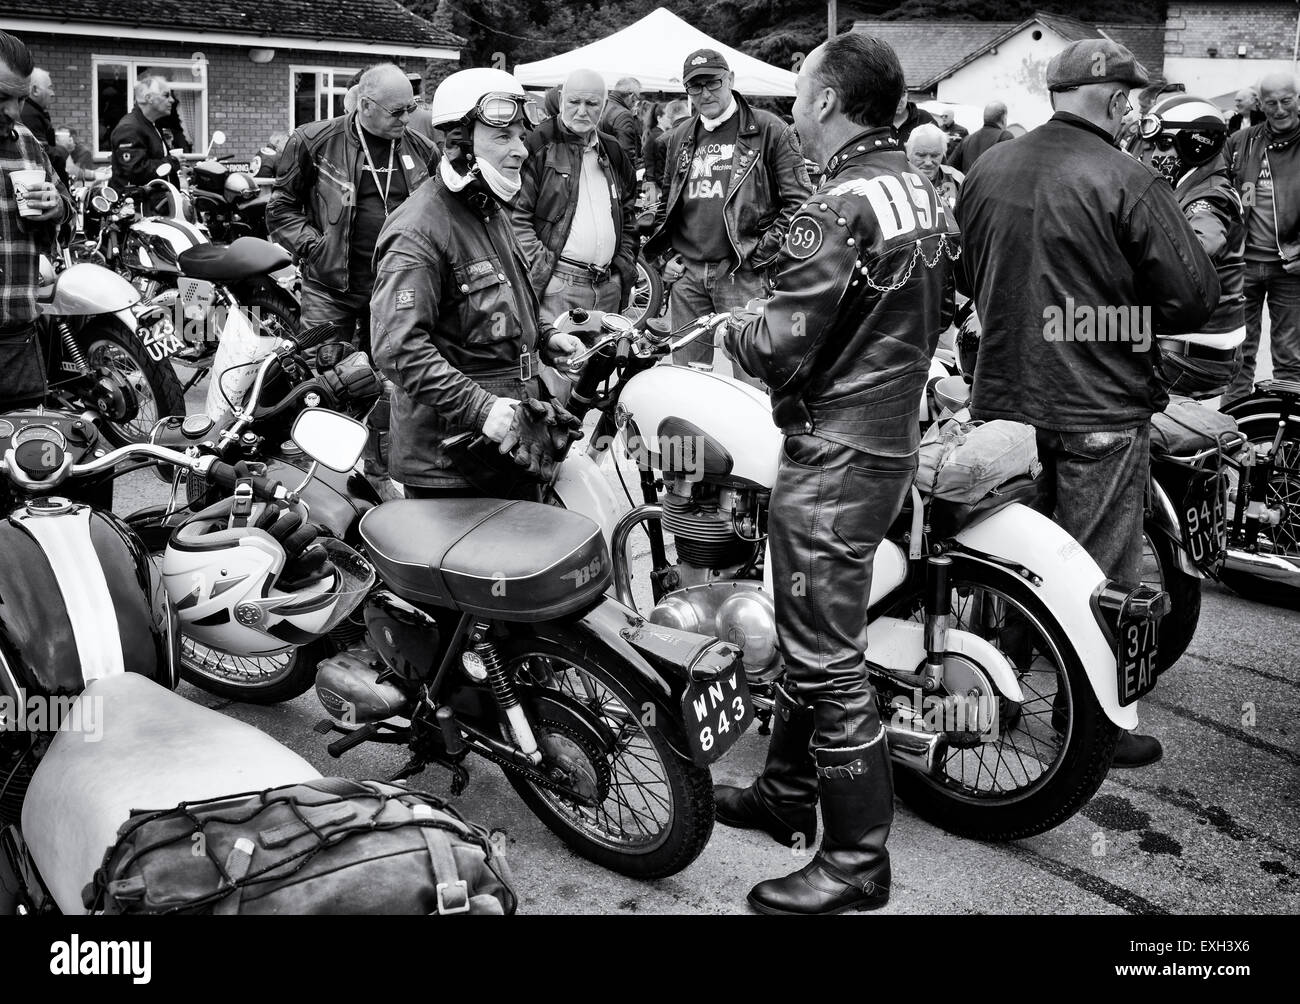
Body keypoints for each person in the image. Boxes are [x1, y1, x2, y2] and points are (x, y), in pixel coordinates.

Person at [714, 32, 958, 916]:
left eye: (801, 91)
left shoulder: (840, 202)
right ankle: (784, 792)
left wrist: (728, 331)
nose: (794, 106)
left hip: (835, 450)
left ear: (825, 100)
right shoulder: (923, 187)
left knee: (825, 656)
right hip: (889, 439)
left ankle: (856, 862)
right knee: (809, 622)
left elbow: (782, 342)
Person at [956, 39, 1219, 769]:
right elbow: (1193, 297)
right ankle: (1094, 717)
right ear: (1115, 98)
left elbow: (972, 274)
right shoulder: (1130, 179)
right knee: (1103, 569)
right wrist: (1117, 317)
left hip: (1007, 398)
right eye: (1132, 95)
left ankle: (992, 694)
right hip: (1098, 402)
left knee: (1008, 556)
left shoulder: (987, 166)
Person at [369, 68, 584, 499]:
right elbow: (397, 348)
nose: (521, 150)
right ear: (459, 144)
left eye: (522, 137)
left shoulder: (488, 210)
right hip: (451, 463)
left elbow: (501, 302)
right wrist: (480, 407)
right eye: (504, 138)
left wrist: (545, 337)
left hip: (504, 447)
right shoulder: (419, 228)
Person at [645, 48, 812, 367]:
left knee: (753, 375)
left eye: (713, 82)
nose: (705, 93)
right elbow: (669, 203)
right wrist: (666, 256)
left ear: (731, 79)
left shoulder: (769, 129)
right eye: (695, 86)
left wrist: (758, 254)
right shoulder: (680, 136)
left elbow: (801, 202)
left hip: (742, 275)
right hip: (688, 277)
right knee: (688, 377)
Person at [267, 62, 436, 353]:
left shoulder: (423, 149)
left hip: (397, 288)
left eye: (411, 107)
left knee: (392, 382)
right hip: (330, 291)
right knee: (326, 377)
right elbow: (280, 209)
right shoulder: (313, 142)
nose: (407, 118)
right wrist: (315, 248)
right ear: (366, 105)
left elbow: (439, 213)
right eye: (397, 111)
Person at [1130, 94, 1245, 396]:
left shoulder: (1209, 197)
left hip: (1195, 347)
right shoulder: (1190, 186)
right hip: (1199, 337)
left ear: (1196, 145)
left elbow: (1203, 242)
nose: (1154, 154)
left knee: (1077, 337)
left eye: (1164, 144)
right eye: (1152, 145)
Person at [512, 69, 637, 323]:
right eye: (574, 102)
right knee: (559, 361)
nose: (582, 111)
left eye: (591, 103)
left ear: (603, 106)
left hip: (608, 286)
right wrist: (544, 272)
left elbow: (628, 211)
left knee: (602, 362)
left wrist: (622, 266)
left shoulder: (612, 149)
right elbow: (515, 217)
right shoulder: (538, 143)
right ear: (561, 100)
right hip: (558, 287)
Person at [0, 30, 74, 407]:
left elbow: (68, 212)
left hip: (18, 341)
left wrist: (57, 207)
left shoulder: (27, 142)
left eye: (21, 98)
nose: (13, 110)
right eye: (2, 97)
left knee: (28, 459)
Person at [1222, 72, 1300, 405]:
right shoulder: (1241, 142)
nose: (1279, 109)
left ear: (1298, 98)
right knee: (1237, 354)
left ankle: (1291, 441)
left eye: (1286, 100)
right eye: (1271, 103)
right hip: (1243, 266)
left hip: (1291, 269)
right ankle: (1232, 433)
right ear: (1260, 103)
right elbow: (1217, 194)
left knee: (1290, 358)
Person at [109, 75, 178, 190]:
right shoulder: (129, 128)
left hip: (153, 202)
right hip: (135, 204)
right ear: (149, 98)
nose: (172, 100)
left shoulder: (151, 124)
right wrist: (173, 162)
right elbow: (136, 171)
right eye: (166, 95)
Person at [18, 66, 64, 187]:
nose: (53, 93)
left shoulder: (35, 112)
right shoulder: (29, 115)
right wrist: (63, 153)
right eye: (50, 88)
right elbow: (41, 153)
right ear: (35, 90)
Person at [906, 123, 963, 209]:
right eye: (921, 155)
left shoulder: (957, 180)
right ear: (908, 154)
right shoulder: (895, 180)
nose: (928, 162)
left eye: (935, 155)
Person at [947, 100, 1012, 173]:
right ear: (1004, 118)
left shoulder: (967, 140)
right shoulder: (1005, 137)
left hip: (968, 183)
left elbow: (949, 168)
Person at [645, 97, 688, 202]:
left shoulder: (663, 137)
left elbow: (662, 175)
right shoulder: (658, 136)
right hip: (654, 185)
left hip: (667, 190)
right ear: (659, 118)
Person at [600, 76, 642, 167]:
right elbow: (626, 153)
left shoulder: (604, 106)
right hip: (617, 172)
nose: (636, 102)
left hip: (605, 166)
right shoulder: (623, 114)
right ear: (632, 96)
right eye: (637, 98)